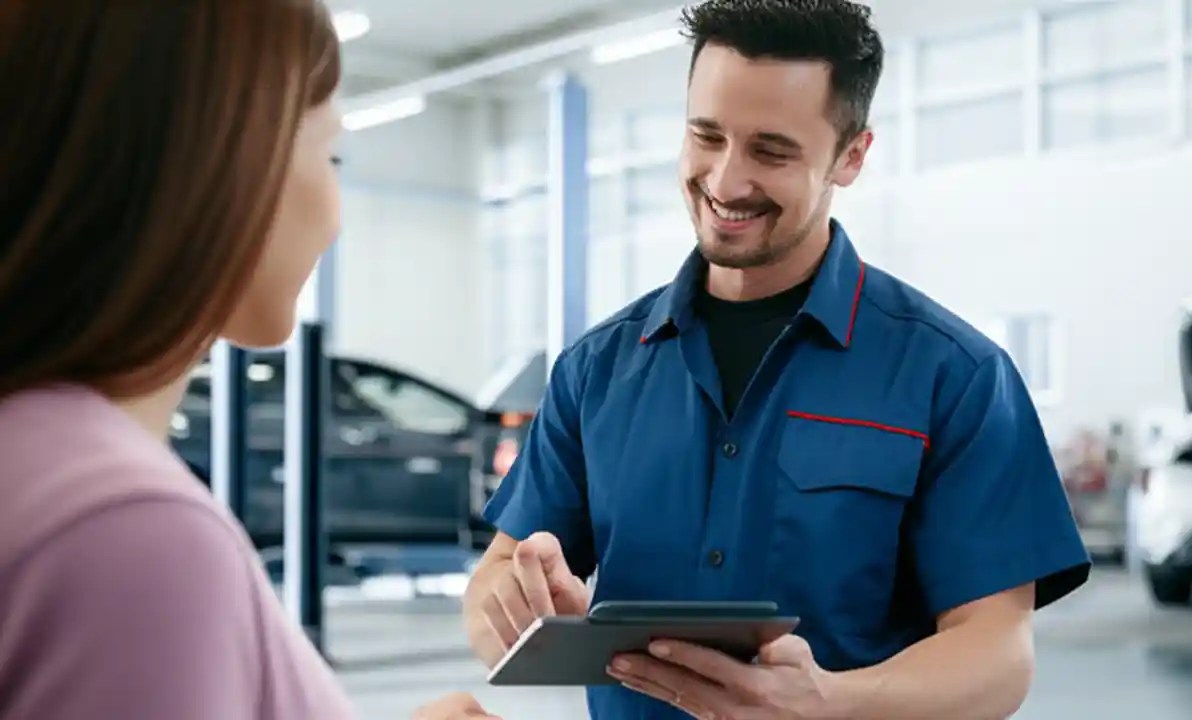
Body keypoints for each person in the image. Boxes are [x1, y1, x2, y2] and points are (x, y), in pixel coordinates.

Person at [463, 1, 1092, 718]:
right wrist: (518, 609)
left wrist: (829, 703)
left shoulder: (955, 377)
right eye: (706, 137)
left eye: (771, 151)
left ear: (851, 156)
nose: (726, 182)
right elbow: (492, 594)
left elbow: (996, 655)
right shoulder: (596, 371)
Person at [0, 2, 498, 719]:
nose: (335, 211)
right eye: (328, 155)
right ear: (221, 164)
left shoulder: (40, 457)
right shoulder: (129, 532)